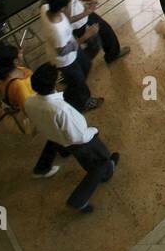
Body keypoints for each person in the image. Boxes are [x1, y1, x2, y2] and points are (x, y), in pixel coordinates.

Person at [25, 63, 120, 214]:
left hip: (56, 138)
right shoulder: (60, 109)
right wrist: (93, 130)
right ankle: (80, 198)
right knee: (101, 162)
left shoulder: (29, 101)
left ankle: (107, 165)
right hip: (79, 142)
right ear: (54, 83)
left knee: (88, 160)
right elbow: (79, 136)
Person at [0, 44, 65, 177]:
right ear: (14, 61)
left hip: (41, 104)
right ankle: (42, 168)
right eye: (18, 53)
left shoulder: (13, 72)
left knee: (57, 132)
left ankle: (64, 149)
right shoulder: (17, 84)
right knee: (55, 134)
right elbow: (29, 107)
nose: (21, 51)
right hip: (40, 111)